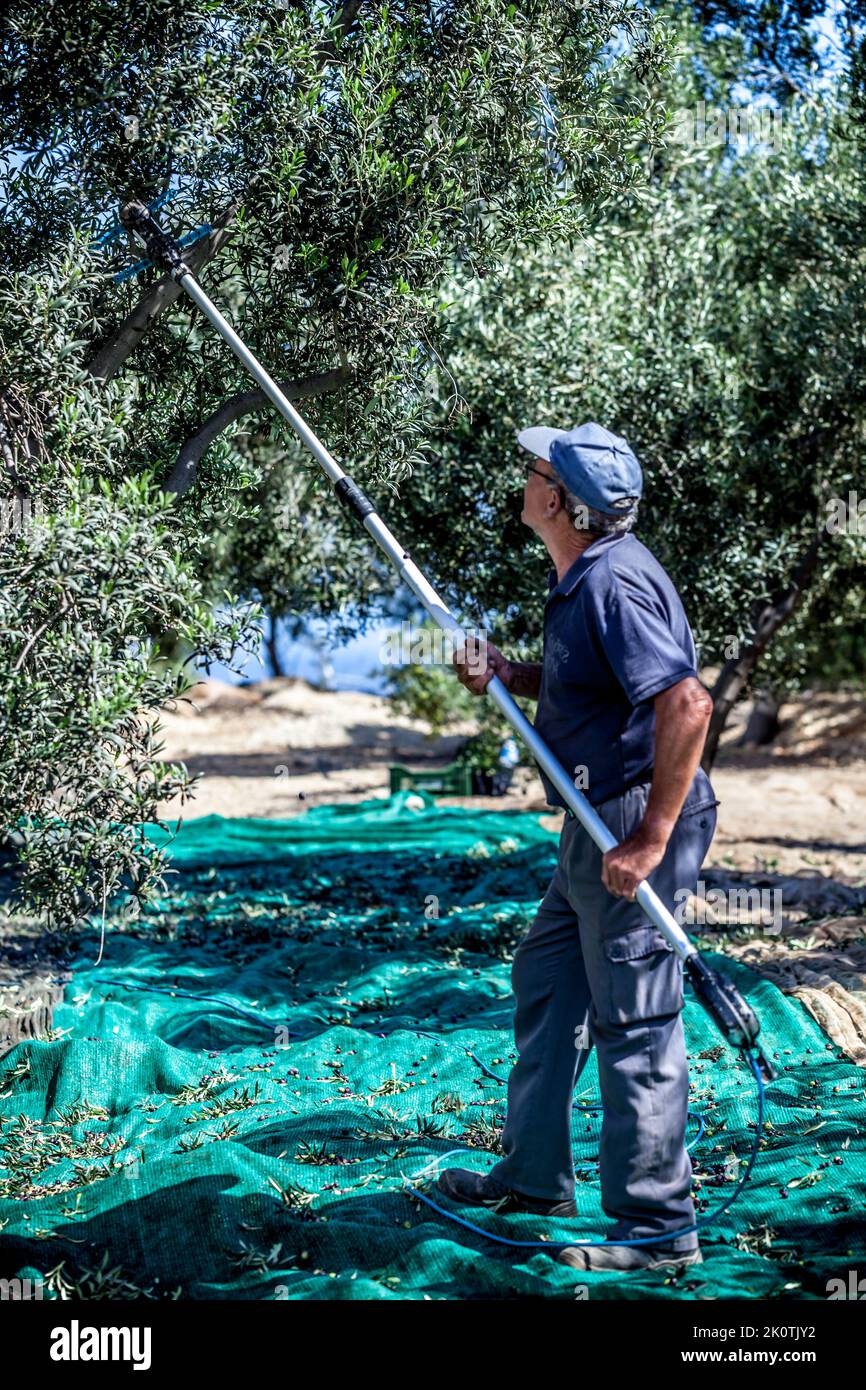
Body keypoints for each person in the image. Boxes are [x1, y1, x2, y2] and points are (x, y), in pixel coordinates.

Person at [438, 421, 718, 1271]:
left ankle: (657, 1230)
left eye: (533, 472)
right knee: (550, 981)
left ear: (559, 500)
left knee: (633, 1020)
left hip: (630, 821)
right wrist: (510, 674)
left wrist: (650, 839)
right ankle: (533, 1177)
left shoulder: (613, 585)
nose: (523, 481)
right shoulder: (583, 577)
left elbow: (687, 707)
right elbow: (594, 685)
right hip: (590, 822)